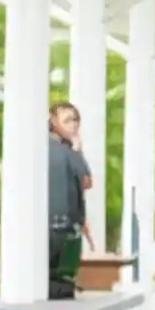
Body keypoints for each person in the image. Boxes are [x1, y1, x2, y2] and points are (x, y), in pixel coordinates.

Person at [48, 102, 93, 299]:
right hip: (61, 231)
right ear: (53, 122)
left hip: (56, 226)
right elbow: (86, 181)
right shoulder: (66, 151)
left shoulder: (54, 148)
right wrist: (77, 150)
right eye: (67, 120)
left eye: (76, 120)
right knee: (61, 282)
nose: (73, 125)